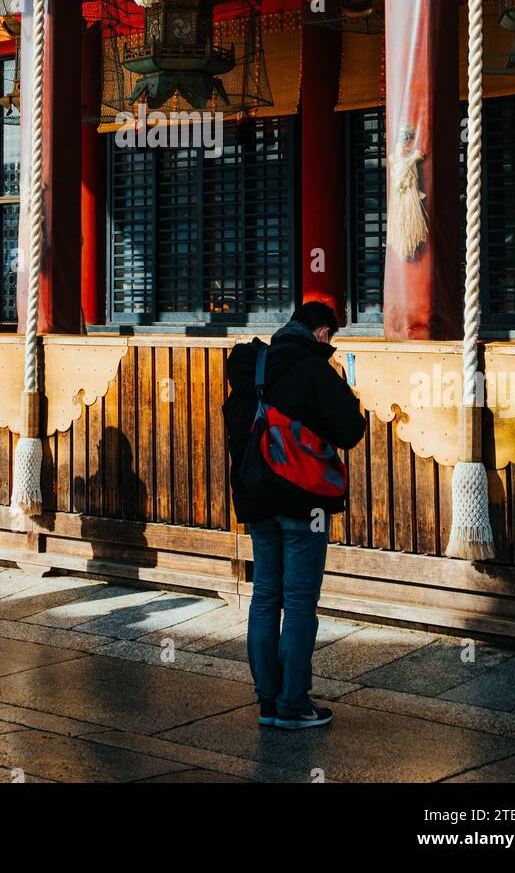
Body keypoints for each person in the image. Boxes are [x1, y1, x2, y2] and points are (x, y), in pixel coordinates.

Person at [223, 301, 366, 729]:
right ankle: (294, 703)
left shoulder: (255, 366)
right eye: (331, 339)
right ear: (322, 333)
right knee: (300, 601)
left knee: (265, 595)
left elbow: (236, 425)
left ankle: (268, 701)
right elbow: (351, 431)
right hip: (305, 502)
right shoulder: (314, 369)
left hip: (258, 500)